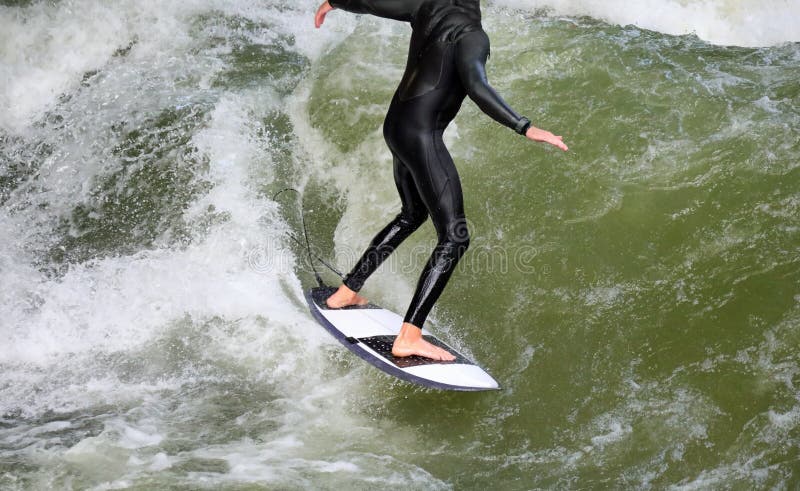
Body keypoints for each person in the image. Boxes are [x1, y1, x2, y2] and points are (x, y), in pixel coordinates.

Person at [315, 0, 568, 361]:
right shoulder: (472, 36)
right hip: (421, 138)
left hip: (396, 129)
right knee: (454, 237)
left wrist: (334, 2)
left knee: (411, 214)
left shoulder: (424, 6)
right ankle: (409, 336)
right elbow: (477, 85)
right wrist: (525, 127)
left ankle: (345, 293)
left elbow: (372, 3)